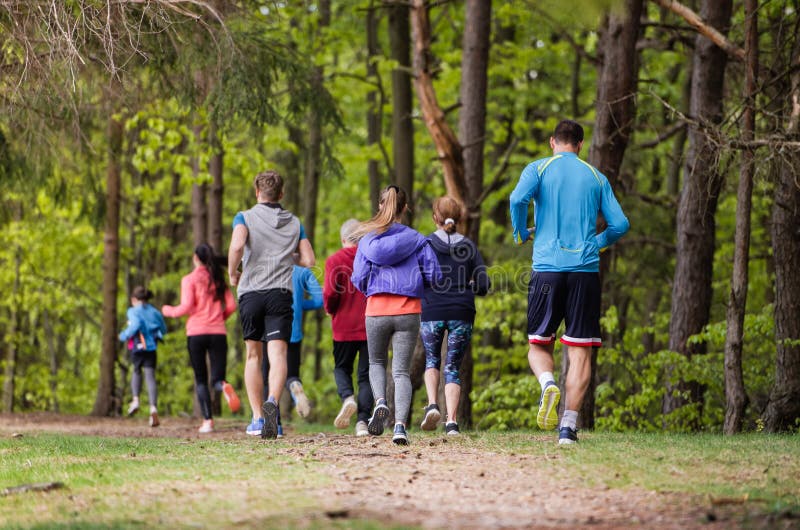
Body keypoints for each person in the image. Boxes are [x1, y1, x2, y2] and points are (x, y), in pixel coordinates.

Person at [509, 119, 629, 445]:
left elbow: (517, 200)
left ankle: (548, 383)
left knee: (538, 345)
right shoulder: (596, 176)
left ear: (553, 142)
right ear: (580, 145)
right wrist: (596, 244)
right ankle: (568, 428)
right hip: (584, 272)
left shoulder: (538, 168)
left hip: (546, 269)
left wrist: (520, 233)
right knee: (580, 351)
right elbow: (620, 224)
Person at [228, 170, 315, 439]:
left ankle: (257, 418)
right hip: (280, 294)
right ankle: (273, 408)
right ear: (281, 193)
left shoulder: (244, 217)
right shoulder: (295, 222)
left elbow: (237, 245)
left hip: (251, 293)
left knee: (253, 356)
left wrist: (232, 273)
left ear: (257, 192)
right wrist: (287, 256)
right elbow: (309, 260)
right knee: (278, 355)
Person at [350, 185, 441, 445]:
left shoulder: (367, 241)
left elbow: (359, 277)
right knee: (401, 371)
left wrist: (372, 290)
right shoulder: (418, 240)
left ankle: (380, 402)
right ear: (405, 208)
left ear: (381, 205)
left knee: (376, 362)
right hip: (408, 311)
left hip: (376, 310)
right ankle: (400, 427)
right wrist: (418, 288)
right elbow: (435, 275)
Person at [419, 197, 490, 436]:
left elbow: (416, 278)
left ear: (435, 218)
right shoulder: (469, 246)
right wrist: (468, 285)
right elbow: (484, 285)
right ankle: (451, 423)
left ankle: (432, 405)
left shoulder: (426, 244)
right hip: (462, 310)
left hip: (432, 309)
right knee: (452, 367)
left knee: (432, 360)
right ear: (459, 218)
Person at [162, 243, 241, 434]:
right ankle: (223, 386)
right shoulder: (218, 279)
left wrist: (168, 310)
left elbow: (187, 306)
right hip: (218, 333)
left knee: (201, 379)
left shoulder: (189, 279)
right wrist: (219, 319)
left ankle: (208, 421)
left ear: (195, 258)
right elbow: (231, 305)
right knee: (217, 378)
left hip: (196, 333)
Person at [323, 219, 372, 437]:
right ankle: (362, 422)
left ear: (343, 239)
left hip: (343, 326)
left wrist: (330, 309)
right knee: (366, 375)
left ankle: (347, 398)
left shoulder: (334, 261)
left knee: (342, 368)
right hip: (369, 324)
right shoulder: (370, 259)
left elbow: (330, 293)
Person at [261, 264, 323, 435]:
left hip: (270, 329)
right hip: (293, 331)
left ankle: (275, 424)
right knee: (291, 374)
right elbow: (320, 300)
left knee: (268, 376)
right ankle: (295, 386)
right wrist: (300, 305)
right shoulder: (303, 272)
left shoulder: (267, 268)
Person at [119, 286, 167, 427]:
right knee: (150, 376)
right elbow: (163, 329)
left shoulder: (133, 311)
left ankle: (136, 400)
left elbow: (135, 325)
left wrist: (123, 335)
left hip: (138, 346)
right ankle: (153, 408)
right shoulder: (155, 312)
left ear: (134, 299)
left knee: (136, 370)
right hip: (151, 347)